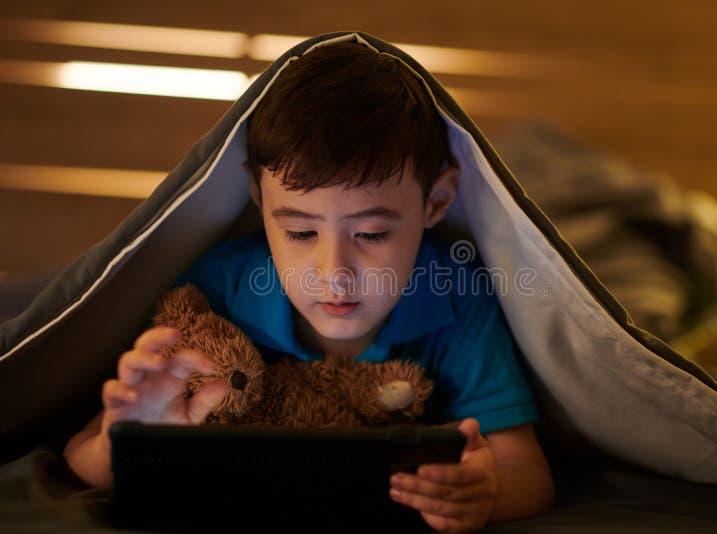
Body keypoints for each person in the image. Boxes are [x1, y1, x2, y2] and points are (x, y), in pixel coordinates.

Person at [63, 42, 554, 532]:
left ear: (436, 201)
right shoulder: (215, 290)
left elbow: (526, 471)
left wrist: (481, 494)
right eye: (300, 232)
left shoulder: (455, 295)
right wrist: (129, 443)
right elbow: (81, 453)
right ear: (259, 199)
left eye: (371, 234)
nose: (334, 272)